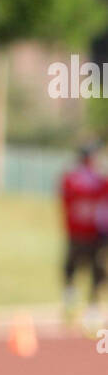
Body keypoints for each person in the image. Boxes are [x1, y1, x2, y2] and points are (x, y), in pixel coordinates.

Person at [60, 141, 107, 331]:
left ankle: (75, 300)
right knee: (94, 272)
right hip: (92, 233)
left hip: (79, 233)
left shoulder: (70, 179)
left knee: (75, 268)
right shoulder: (100, 180)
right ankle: (91, 308)